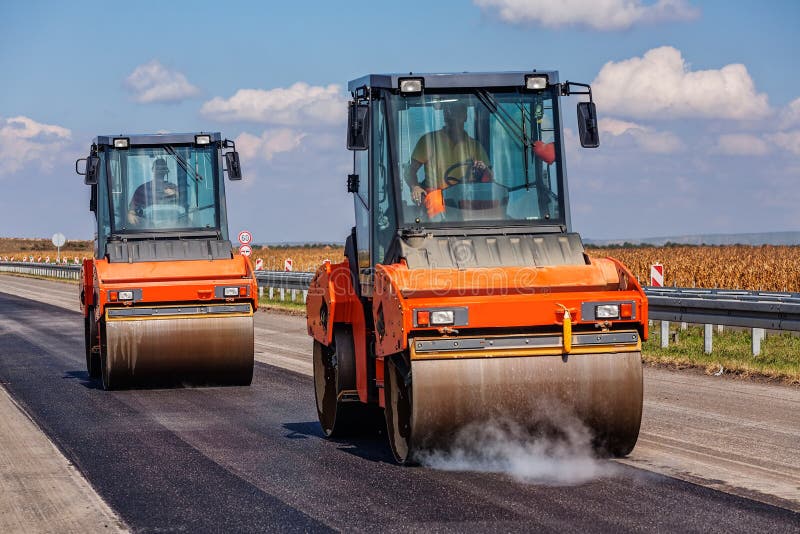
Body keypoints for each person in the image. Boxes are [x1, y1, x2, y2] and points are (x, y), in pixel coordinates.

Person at [405, 101, 493, 217]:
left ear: (465, 116)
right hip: (437, 193)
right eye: (449, 111)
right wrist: (415, 187)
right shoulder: (429, 141)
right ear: (444, 115)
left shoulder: (475, 146)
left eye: (458, 111)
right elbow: (410, 171)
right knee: (436, 204)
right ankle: (438, 233)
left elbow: (490, 178)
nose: (453, 115)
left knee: (488, 206)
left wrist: (484, 170)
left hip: (467, 195)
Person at [127, 158, 179, 225]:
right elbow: (132, 209)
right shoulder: (142, 189)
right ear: (153, 169)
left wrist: (176, 194)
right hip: (148, 228)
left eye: (162, 168)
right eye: (157, 168)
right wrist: (131, 215)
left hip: (174, 226)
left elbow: (184, 208)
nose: (159, 170)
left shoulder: (173, 188)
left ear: (166, 171)